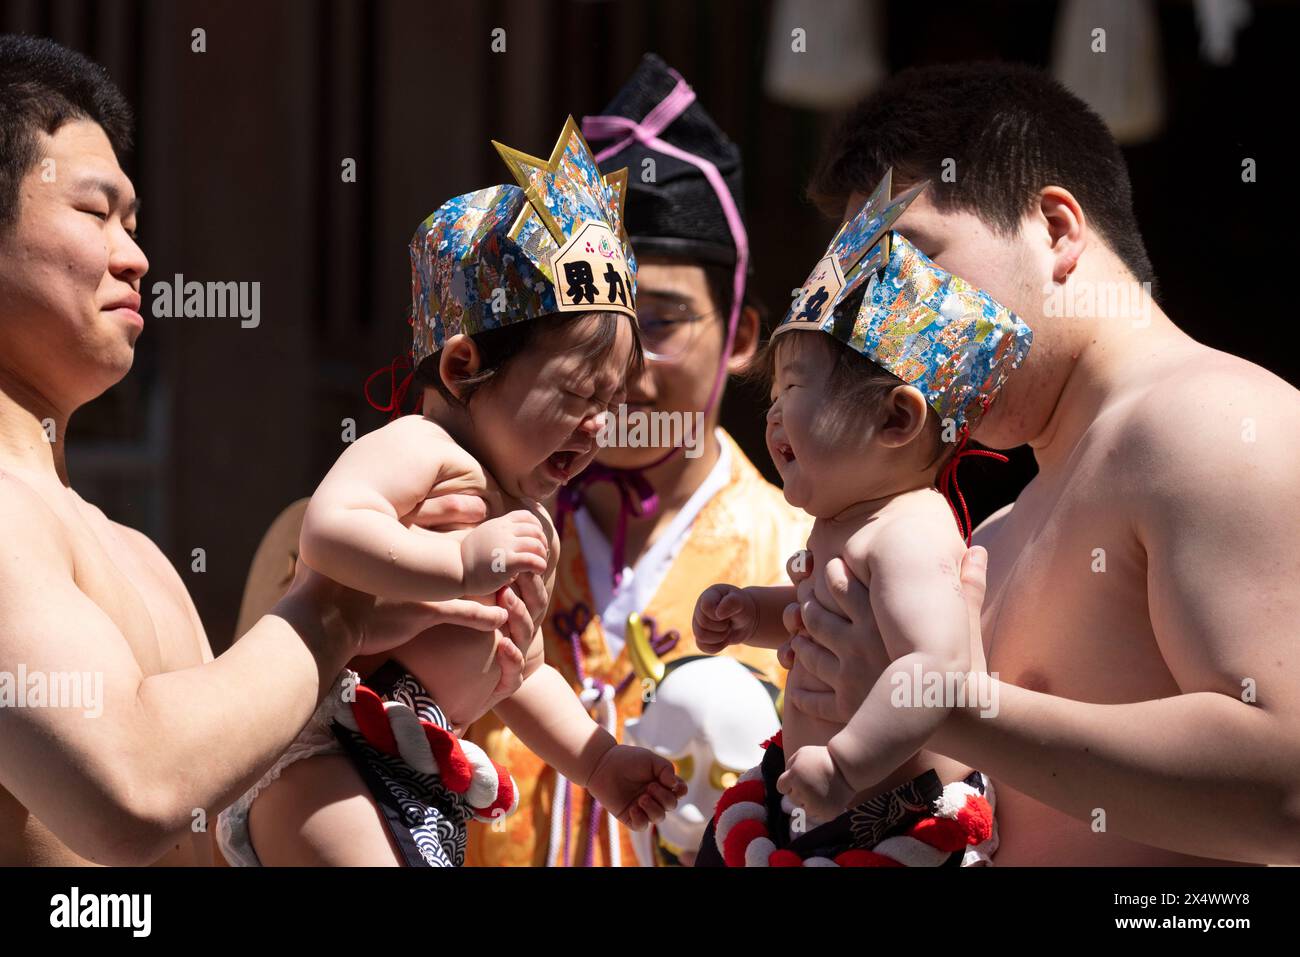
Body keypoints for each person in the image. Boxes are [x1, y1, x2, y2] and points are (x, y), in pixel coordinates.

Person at [780, 61, 1300, 865]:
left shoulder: (1211, 417)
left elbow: (1286, 788)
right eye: (864, 291)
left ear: (1057, 228)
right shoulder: (997, 527)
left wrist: (940, 702)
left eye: (909, 262)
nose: (884, 325)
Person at [0, 35, 493, 866]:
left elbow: (208, 824)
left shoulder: (138, 556)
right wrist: (334, 600)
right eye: (95, 213)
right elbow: (129, 792)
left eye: (134, 222)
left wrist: (397, 656)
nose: (136, 255)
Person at [217, 119, 686, 867]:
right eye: (575, 393)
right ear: (465, 367)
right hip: (327, 754)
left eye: (612, 399)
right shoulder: (423, 450)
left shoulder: (531, 518)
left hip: (426, 771)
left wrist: (597, 761)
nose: (598, 424)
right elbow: (331, 531)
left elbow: (523, 670)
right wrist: (460, 563)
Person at [461, 54, 815, 867]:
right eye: (592, 325)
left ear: (743, 335)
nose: (622, 370)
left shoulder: (806, 557)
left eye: (659, 321)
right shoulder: (461, 531)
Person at [691, 172, 1028, 866]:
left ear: (897, 418)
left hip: (893, 816)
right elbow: (825, 618)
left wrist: (844, 762)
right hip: (816, 799)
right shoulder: (852, 520)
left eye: (793, 388)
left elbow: (935, 667)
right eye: (773, 391)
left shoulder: (907, 530)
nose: (773, 414)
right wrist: (753, 612)